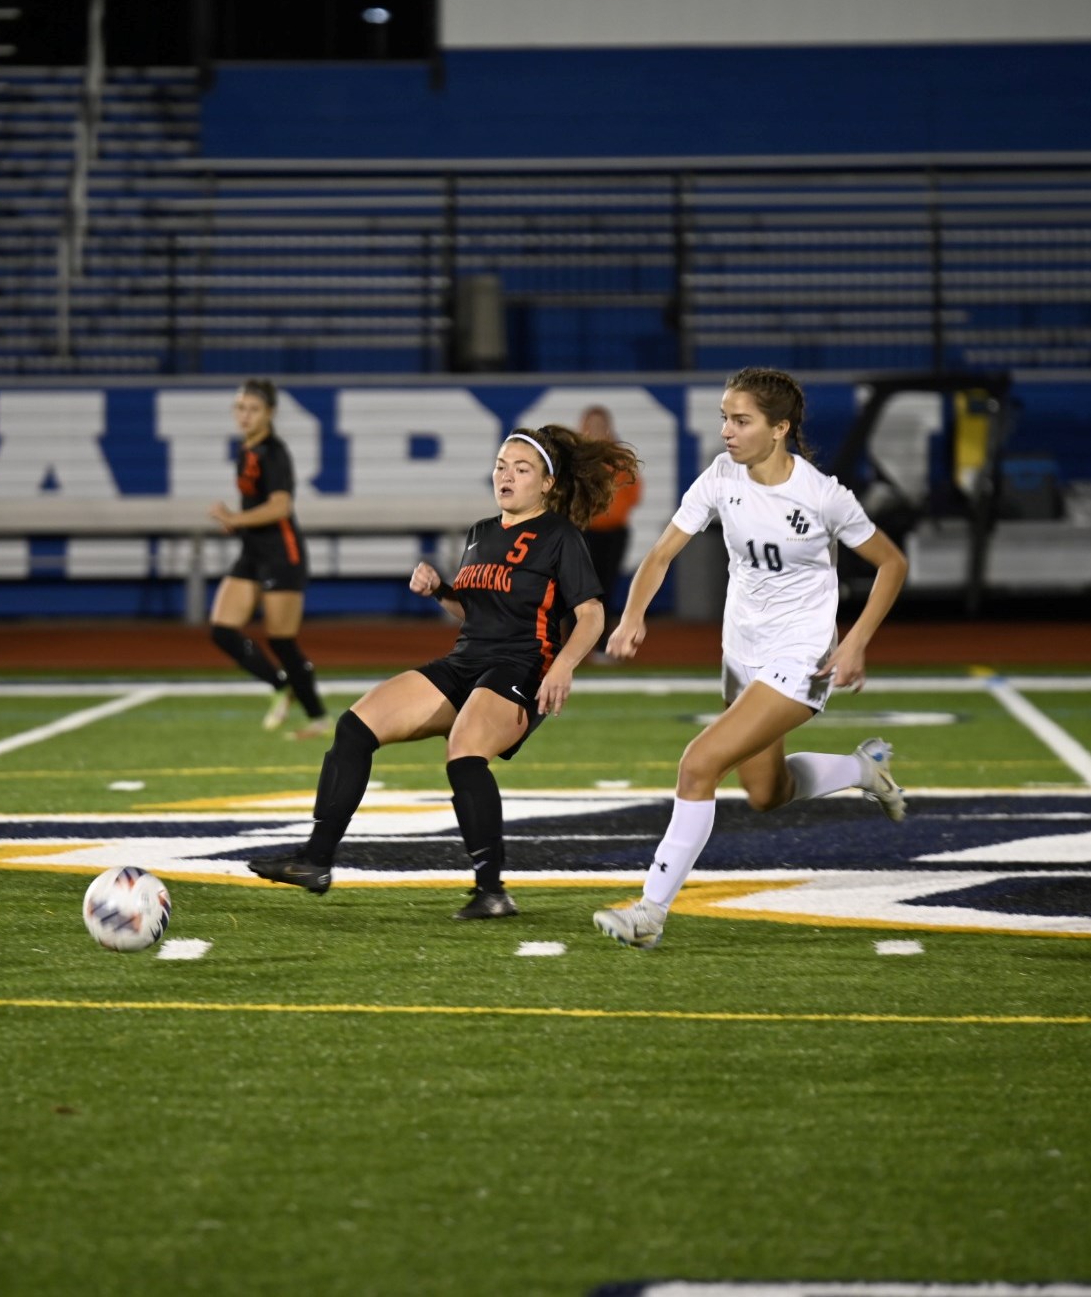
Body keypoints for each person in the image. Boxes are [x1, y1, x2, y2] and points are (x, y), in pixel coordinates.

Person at [249, 423, 639, 919]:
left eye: (522, 469)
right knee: (354, 727)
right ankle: (316, 859)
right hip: (466, 660)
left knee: (465, 751)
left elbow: (591, 615)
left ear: (547, 484)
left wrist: (563, 666)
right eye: (502, 466)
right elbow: (473, 611)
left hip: (522, 663)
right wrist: (439, 591)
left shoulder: (559, 535)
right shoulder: (480, 533)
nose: (507, 476)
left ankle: (491, 890)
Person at [592, 366, 910, 950]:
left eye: (741, 421)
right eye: (724, 419)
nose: (726, 432)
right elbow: (661, 554)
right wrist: (633, 614)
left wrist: (857, 641)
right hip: (742, 652)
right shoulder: (720, 477)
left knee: (699, 763)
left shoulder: (821, 495)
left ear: (780, 428)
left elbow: (892, 563)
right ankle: (863, 771)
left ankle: (649, 912)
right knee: (767, 793)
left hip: (802, 651)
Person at [208, 379, 330, 739]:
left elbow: (280, 506)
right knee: (221, 630)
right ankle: (280, 685)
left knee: (281, 640)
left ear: (270, 413)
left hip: (281, 553)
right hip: (253, 551)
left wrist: (235, 518)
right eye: (240, 408)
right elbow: (256, 505)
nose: (245, 415)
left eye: (253, 409)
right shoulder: (246, 450)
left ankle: (318, 718)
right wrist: (240, 525)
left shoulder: (273, 452)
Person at [576, 404, 642, 660]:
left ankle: (602, 645)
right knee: (578, 591)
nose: (594, 430)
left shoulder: (620, 458)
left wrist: (608, 511)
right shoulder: (576, 459)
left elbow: (633, 492)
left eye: (598, 425)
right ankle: (575, 646)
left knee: (606, 587)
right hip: (583, 531)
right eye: (590, 425)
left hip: (614, 532)